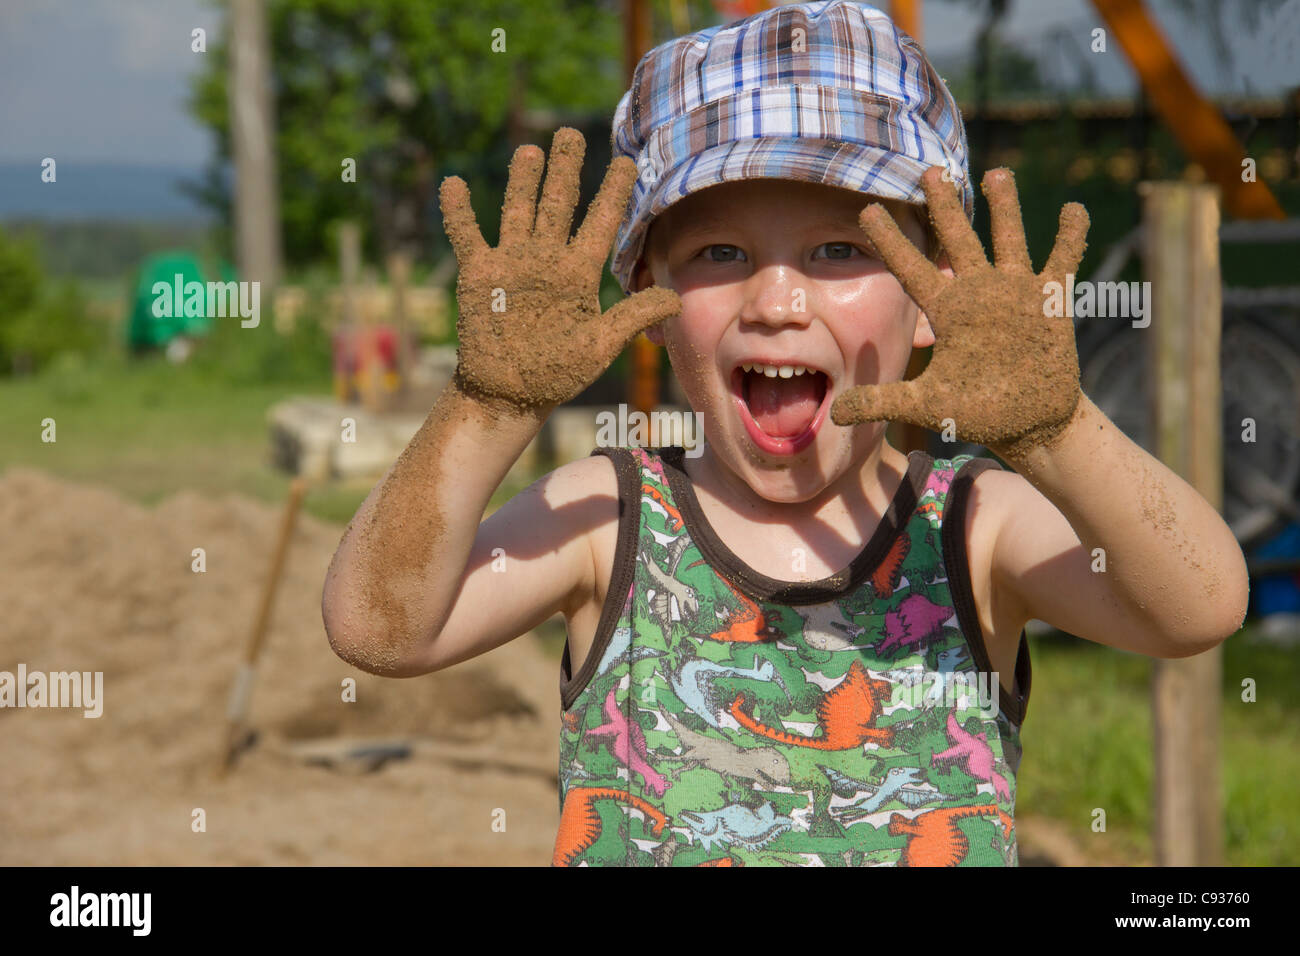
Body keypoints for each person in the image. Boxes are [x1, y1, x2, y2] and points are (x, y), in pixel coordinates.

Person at [321, 0, 1249, 866]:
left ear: (934, 297)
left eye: (839, 250)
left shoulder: (971, 525)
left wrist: (1054, 431)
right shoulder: (610, 518)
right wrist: (487, 407)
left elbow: (1197, 606)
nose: (775, 301)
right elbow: (377, 630)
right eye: (719, 254)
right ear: (651, 298)